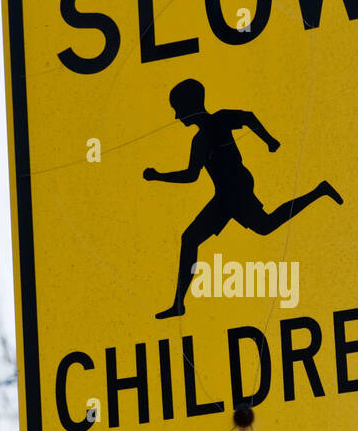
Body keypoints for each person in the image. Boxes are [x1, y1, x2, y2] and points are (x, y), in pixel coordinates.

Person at [143, 77, 342, 319]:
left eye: (178, 110)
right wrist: (159, 177)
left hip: (237, 190)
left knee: (264, 226)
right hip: (225, 196)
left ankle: (319, 192)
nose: (176, 117)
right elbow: (191, 175)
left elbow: (247, 117)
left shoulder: (215, 125)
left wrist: (269, 140)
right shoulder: (202, 138)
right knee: (192, 238)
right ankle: (178, 304)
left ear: (189, 107)